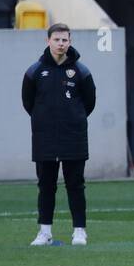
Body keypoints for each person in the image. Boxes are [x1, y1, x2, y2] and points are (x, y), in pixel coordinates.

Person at [22, 23, 96, 246]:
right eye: (57, 39)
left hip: (73, 136)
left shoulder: (81, 71)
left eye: (65, 40)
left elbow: (89, 103)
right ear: (48, 41)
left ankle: (79, 232)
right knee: (46, 185)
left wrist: (74, 118)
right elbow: (28, 103)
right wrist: (44, 120)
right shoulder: (35, 71)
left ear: (70, 42)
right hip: (44, 137)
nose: (61, 44)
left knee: (75, 185)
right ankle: (44, 232)